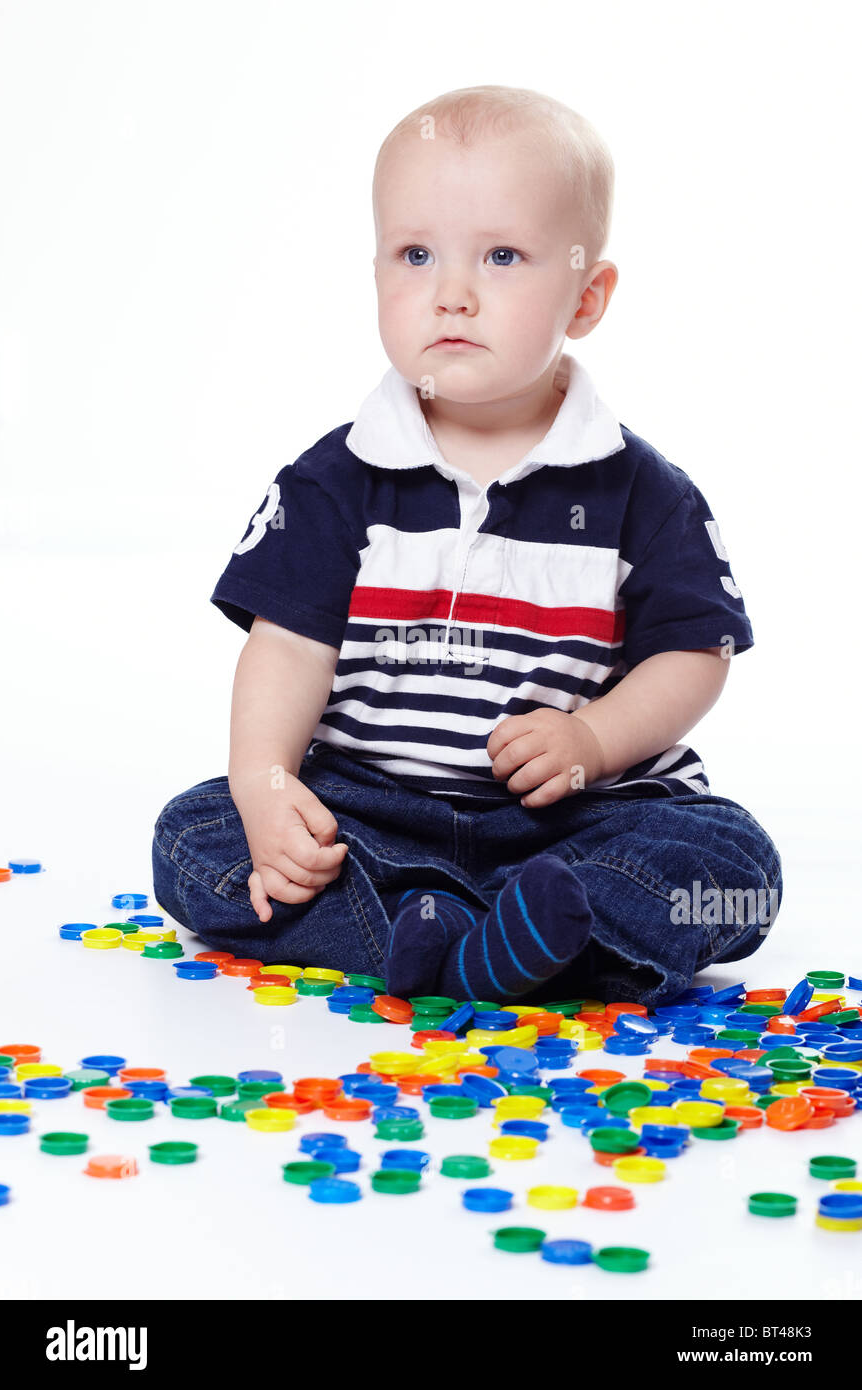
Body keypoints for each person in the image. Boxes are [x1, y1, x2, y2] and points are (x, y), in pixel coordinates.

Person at [152, 84, 782, 1008]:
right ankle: (434, 930)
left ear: (587, 295)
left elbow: (694, 651)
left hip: (575, 821)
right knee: (194, 833)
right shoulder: (338, 479)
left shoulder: (641, 492)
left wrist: (593, 738)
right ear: (375, 274)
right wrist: (266, 782)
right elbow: (284, 647)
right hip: (374, 811)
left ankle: (538, 929)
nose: (451, 292)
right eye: (415, 254)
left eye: (502, 255)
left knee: (734, 868)